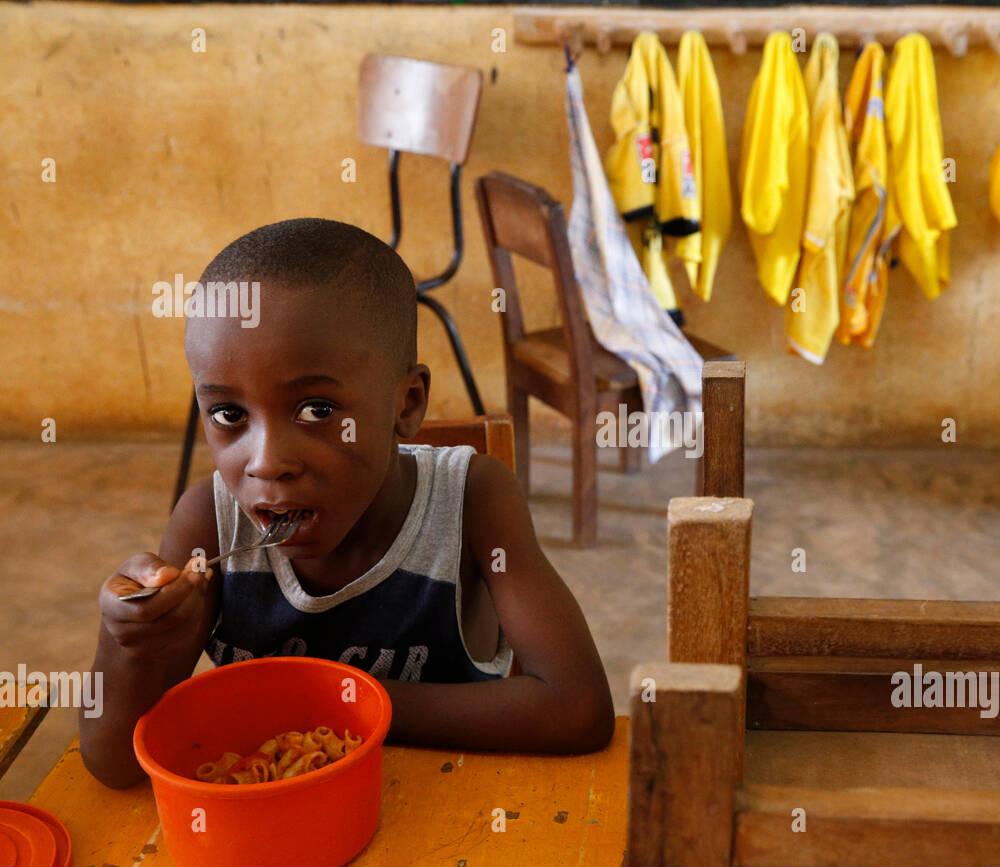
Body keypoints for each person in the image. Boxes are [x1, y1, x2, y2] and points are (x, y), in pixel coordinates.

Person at [83, 219, 614, 788]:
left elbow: (576, 710)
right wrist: (130, 643)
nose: (266, 462)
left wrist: (334, 704)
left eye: (316, 410)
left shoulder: (472, 501)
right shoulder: (209, 526)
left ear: (406, 404)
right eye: (228, 415)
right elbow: (113, 763)